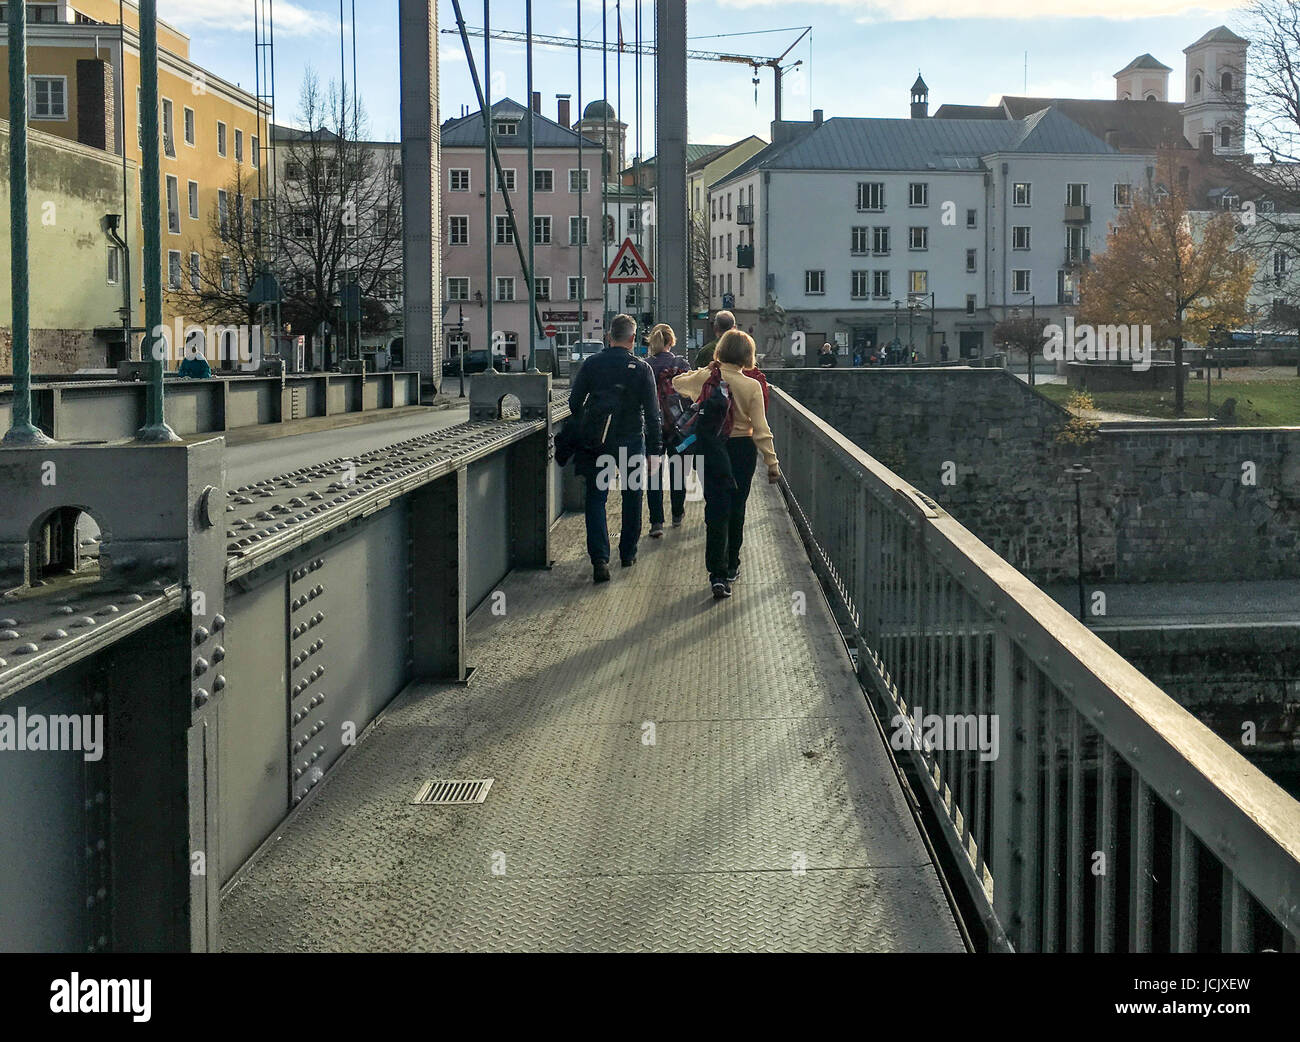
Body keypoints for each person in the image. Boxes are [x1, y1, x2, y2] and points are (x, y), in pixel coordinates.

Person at [673, 330, 780, 600]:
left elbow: (677, 383)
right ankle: (732, 565)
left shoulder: (708, 378)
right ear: (747, 355)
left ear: (720, 351)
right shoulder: (753, 386)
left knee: (716, 507)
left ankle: (717, 575)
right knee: (737, 508)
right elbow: (761, 429)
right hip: (742, 451)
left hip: (712, 449)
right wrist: (771, 462)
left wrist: (705, 369)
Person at [567, 314, 662, 583]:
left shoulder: (592, 364)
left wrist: (589, 420)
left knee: (596, 498)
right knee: (632, 496)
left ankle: (600, 559)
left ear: (609, 337)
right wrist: (655, 451)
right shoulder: (642, 368)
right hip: (631, 441)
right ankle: (628, 553)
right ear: (632, 339)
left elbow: (574, 403)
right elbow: (653, 415)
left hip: (598, 443)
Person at [646, 322, 691, 537]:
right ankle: (677, 514)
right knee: (678, 471)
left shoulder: (645, 365)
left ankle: (656, 523)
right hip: (679, 428)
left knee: (654, 473)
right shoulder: (681, 364)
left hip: (652, 428)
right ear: (671, 341)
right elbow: (693, 395)